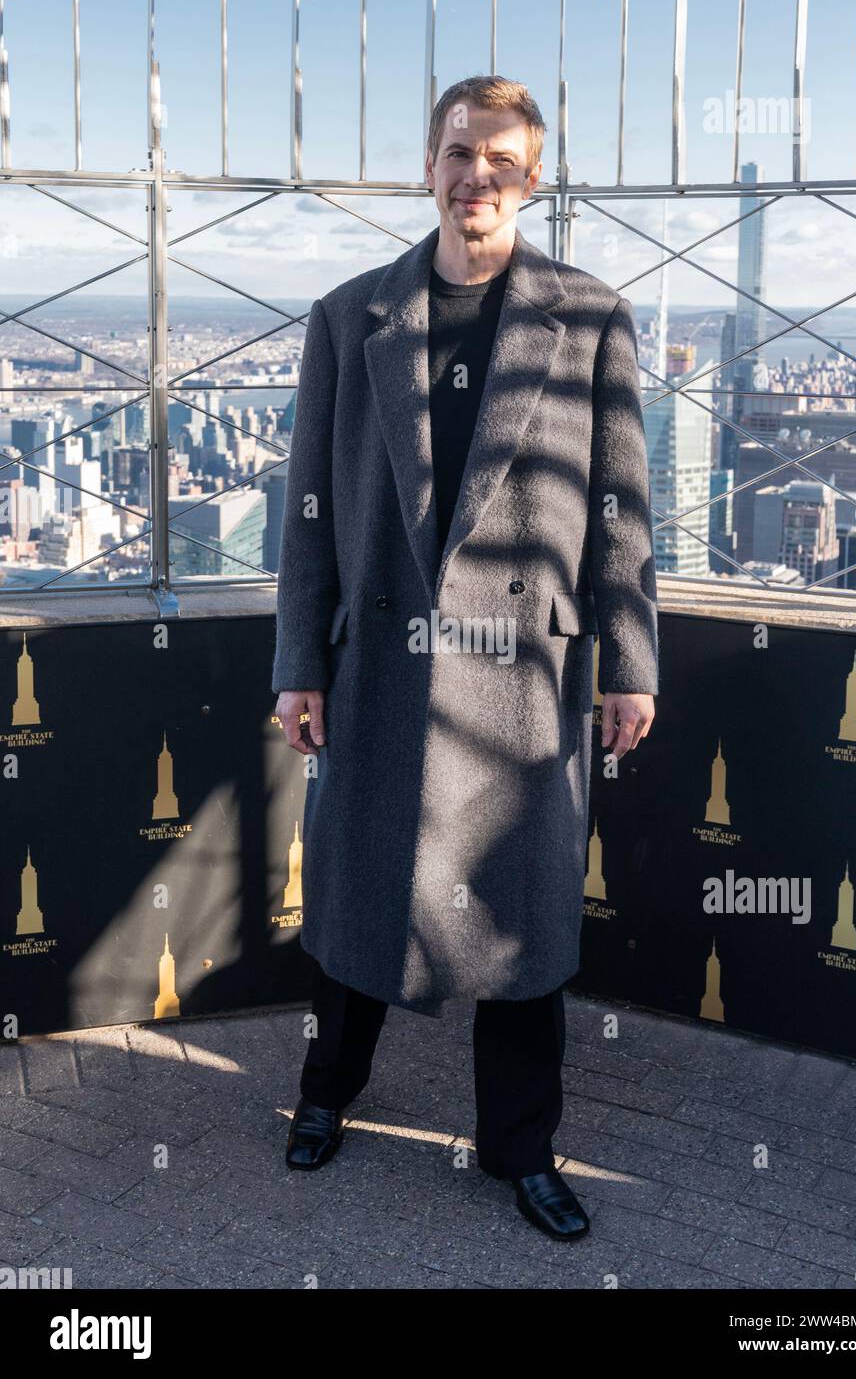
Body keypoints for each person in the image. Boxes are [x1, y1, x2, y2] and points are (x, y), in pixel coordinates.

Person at [273, 75, 658, 1241]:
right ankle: (325, 1092)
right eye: (456, 152)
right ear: (427, 166)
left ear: (529, 177)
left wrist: (630, 662)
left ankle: (519, 1149)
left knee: (521, 923)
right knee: (352, 896)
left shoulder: (589, 316)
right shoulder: (350, 316)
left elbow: (618, 512)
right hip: (381, 663)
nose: (473, 175)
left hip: (521, 681)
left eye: (497, 157)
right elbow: (303, 510)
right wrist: (299, 659)